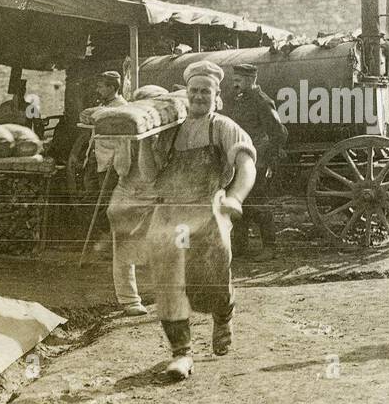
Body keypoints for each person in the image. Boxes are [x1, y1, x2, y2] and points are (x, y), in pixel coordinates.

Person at [106, 60, 256, 381]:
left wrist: (236, 197)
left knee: (213, 277)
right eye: (194, 91)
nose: (199, 96)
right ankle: (181, 353)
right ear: (186, 94)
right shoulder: (170, 132)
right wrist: (143, 141)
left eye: (206, 91)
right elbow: (149, 176)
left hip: (207, 212)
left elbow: (246, 164)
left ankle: (222, 315)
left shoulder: (223, 127)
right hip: (169, 213)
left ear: (216, 95)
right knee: (168, 282)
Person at [85, 71, 148, 316]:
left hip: (113, 164)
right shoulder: (105, 107)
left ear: (113, 88)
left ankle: (115, 251)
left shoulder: (122, 110)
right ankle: (111, 248)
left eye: (102, 87)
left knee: (114, 209)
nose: (99, 90)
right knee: (103, 207)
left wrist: (116, 163)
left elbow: (124, 144)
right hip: (100, 159)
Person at [222, 63, 288, 258]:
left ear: (250, 80)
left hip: (257, 160)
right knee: (239, 200)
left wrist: (270, 159)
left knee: (260, 203)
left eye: (238, 81)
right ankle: (240, 247)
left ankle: (270, 248)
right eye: (234, 80)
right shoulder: (239, 99)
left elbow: (279, 133)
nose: (234, 85)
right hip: (238, 160)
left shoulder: (262, 101)